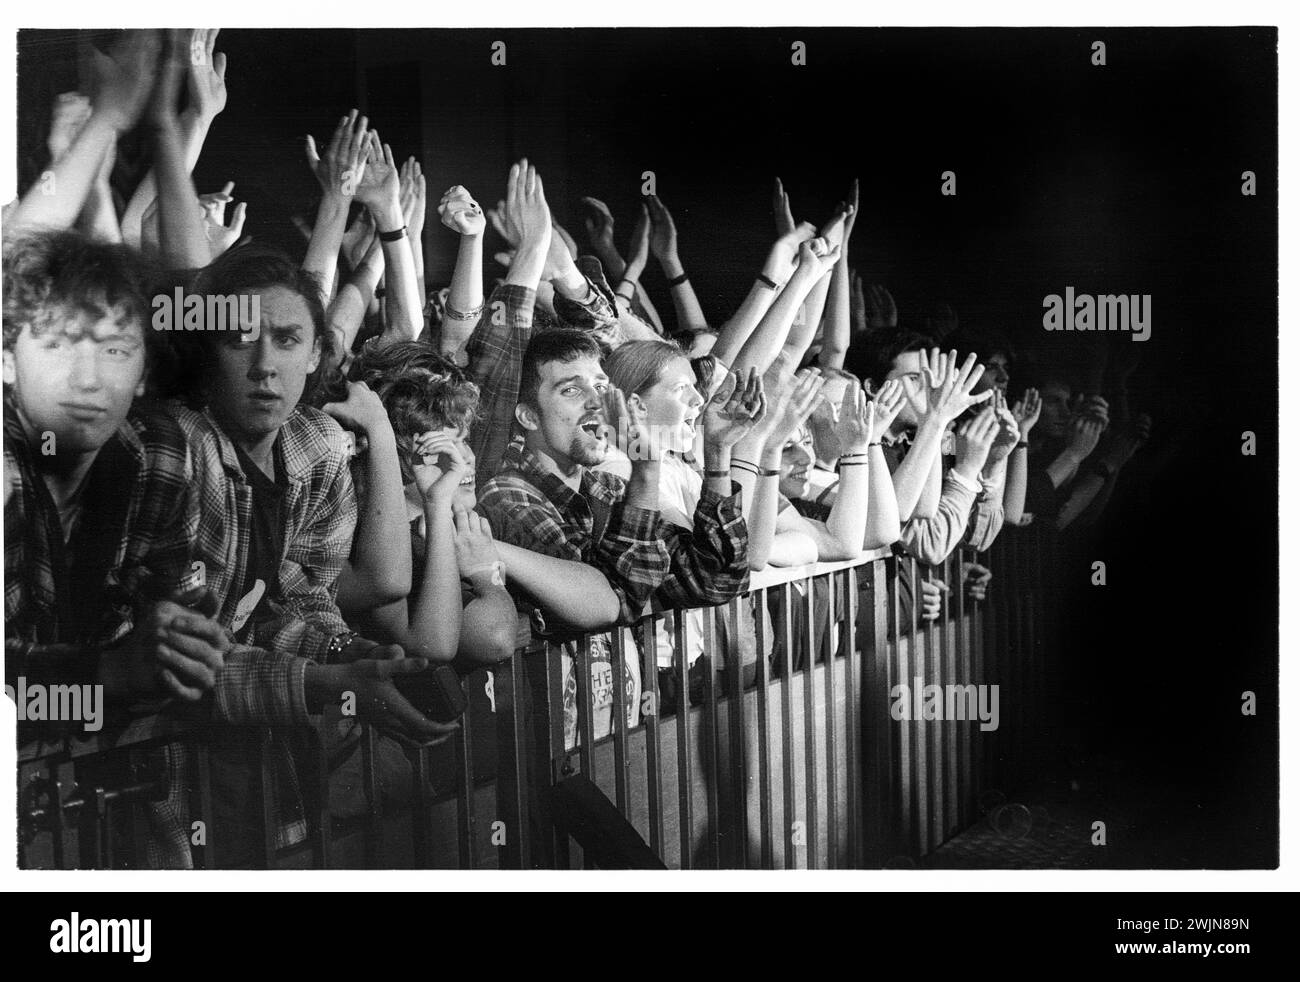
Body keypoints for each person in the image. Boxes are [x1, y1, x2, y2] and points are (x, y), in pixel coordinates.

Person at [157, 244, 455, 865]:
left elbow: (293, 603)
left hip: (259, 744)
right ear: (205, 352)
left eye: (288, 340)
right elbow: (174, 655)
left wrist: (350, 652)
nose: (265, 366)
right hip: (160, 761)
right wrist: (326, 681)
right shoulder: (180, 452)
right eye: (239, 341)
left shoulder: (313, 444)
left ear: (317, 354)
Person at [3, 230, 231, 867]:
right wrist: (107, 671)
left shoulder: (158, 451)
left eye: (114, 350)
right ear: (4, 359)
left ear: (143, 372)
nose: (88, 378)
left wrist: (177, 640)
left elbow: (171, 634)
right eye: (56, 346)